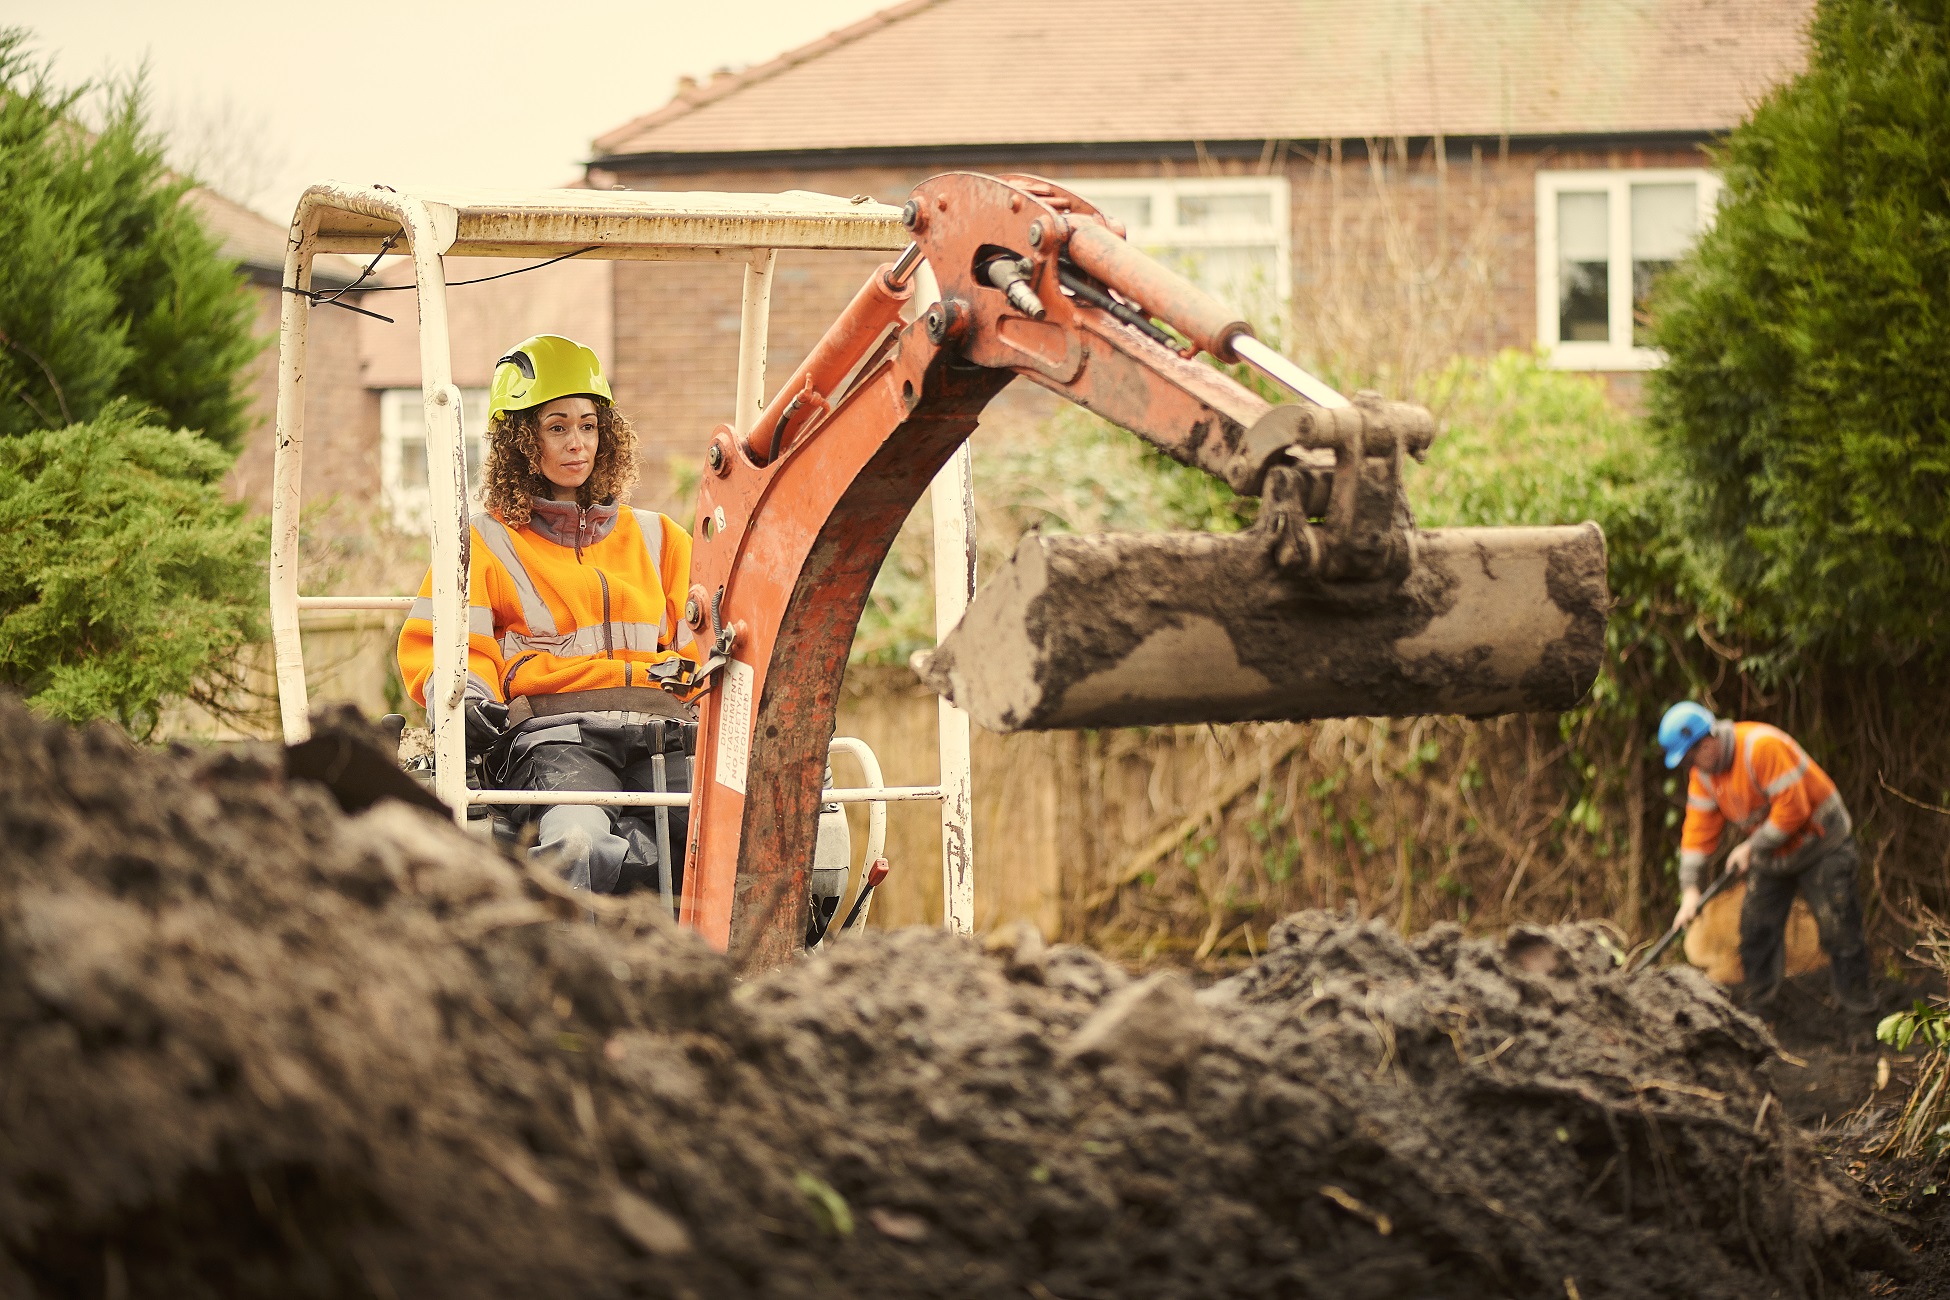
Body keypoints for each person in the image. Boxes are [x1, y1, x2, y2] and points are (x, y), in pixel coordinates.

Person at [397, 334, 699, 896]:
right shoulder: (483, 544)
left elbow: (705, 651)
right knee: (578, 841)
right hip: (557, 738)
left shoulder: (661, 539)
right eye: (556, 427)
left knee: (726, 831)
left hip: (664, 731)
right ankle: (573, 952)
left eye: (588, 425)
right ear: (520, 441)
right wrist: (466, 699)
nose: (576, 443)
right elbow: (448, 648)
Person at [1659, 701, 1873, 1011]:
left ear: (1708, 740)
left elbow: (1793, 809)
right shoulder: (1704, 776)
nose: (1692, 766)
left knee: (1839, 928)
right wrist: (1690, 890)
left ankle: (1859, 1014)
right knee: (1756, 932)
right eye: (1686, 762)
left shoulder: (1760, 748)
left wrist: (1751, 848)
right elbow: (1697, 833)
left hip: (1821, 843)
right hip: (1773, 853)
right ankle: (1761, 1014)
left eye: (1692, 757)